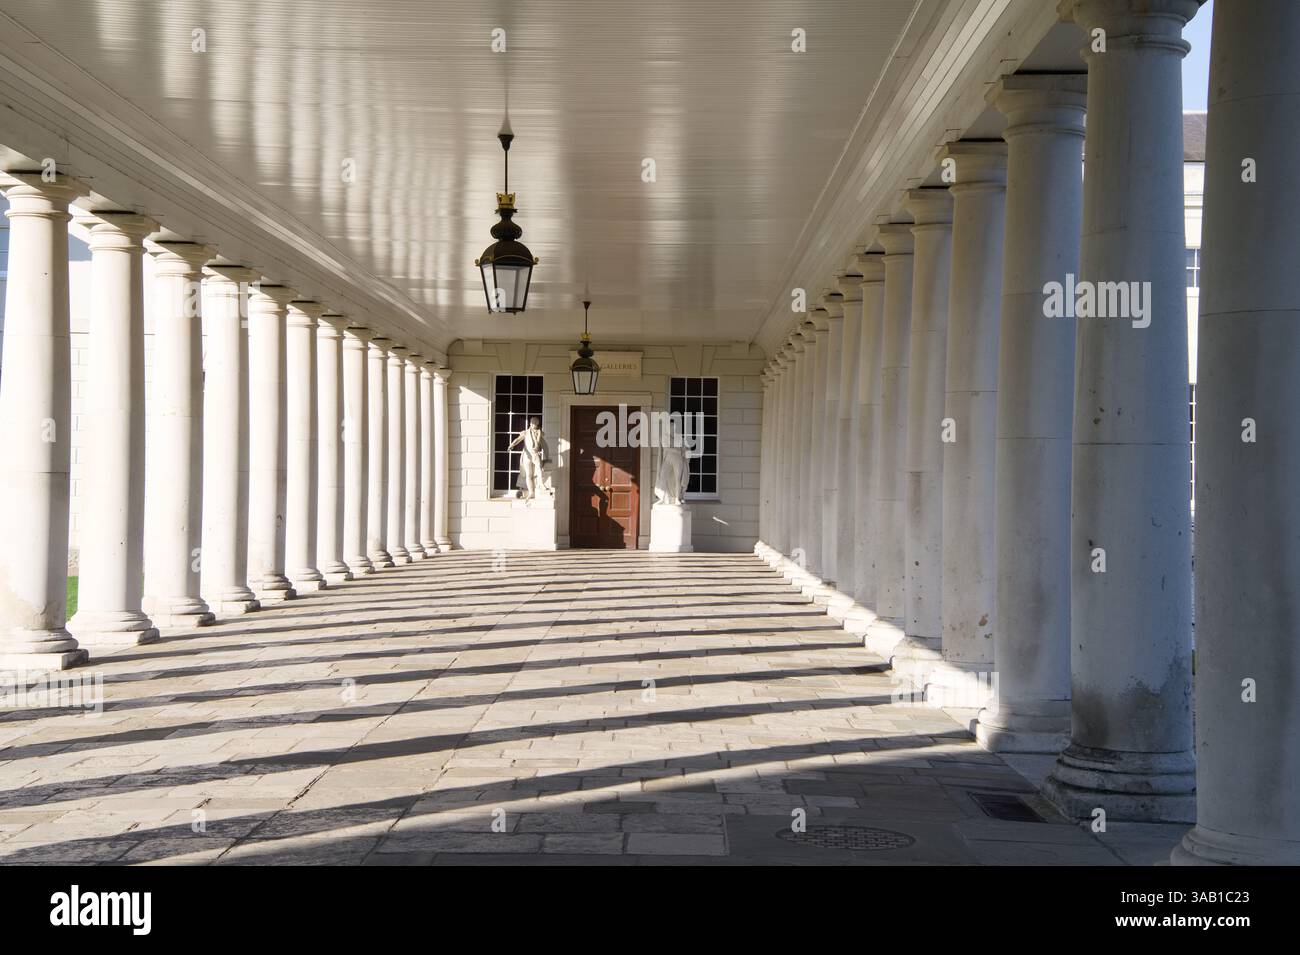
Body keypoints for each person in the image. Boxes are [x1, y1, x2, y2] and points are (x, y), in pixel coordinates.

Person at [507, 416, 549, 500]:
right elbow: (518, 439)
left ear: (537, 424)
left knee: (539, 468)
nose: (534, 425)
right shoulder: (525, 432)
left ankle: (541, 484)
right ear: (530, 423)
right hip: (527, 455)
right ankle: (531, 492)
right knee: (528, 475)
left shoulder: (539, 432)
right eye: (533, 423)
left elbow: (544, 442)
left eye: (536, 424)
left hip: (535, 454)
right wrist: (512, 445)